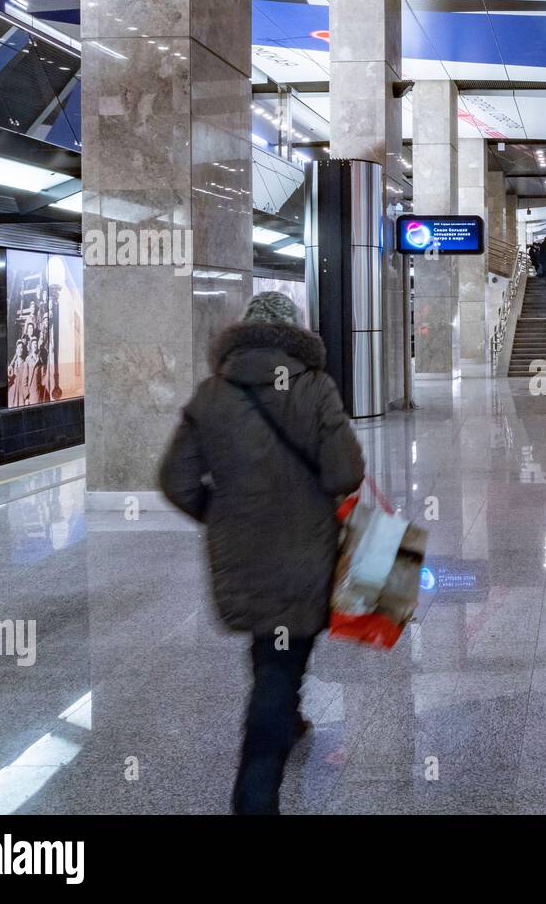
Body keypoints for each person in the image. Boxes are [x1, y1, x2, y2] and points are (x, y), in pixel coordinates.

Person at [158, 291, 365, 815]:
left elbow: (176, 480)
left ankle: (290, 717)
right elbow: (345, 473)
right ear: (295, 336)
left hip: (240, 553)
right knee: (281, 661)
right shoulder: (315, 386)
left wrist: (222, 514)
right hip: (304, 549)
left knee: (270, 645)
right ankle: (255, 797)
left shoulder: (211, 394)